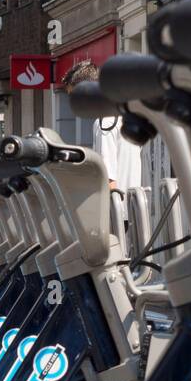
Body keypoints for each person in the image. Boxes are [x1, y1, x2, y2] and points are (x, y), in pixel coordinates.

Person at [59, 59, 144, 243]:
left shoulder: (105, 123)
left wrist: (107, 218)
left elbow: (109, 177)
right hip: (134, 208)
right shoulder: (124, 115)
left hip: (117, 214)